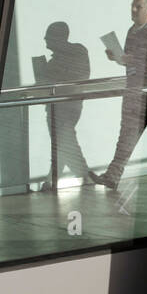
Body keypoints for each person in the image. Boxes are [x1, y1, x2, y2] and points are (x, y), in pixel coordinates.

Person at [90, 0, 147, 189]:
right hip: (134, 93)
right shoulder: (131, 31)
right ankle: (112, 176)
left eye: (138, 7)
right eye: (132, 6)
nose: (133, 10)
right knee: (126, 137)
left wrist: (132, 59)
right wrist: (117, 57)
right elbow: (130, 60)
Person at [39, 21, 91, 191]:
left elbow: (78, 76)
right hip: (58, 105)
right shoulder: (57, 59)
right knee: (61, 142)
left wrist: (51, 75)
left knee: (64, 141)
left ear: (58, 38)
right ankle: (54, 178)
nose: (45, 39)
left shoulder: (76, 52)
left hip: (68, 105)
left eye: (48, 36)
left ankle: (84, 176)